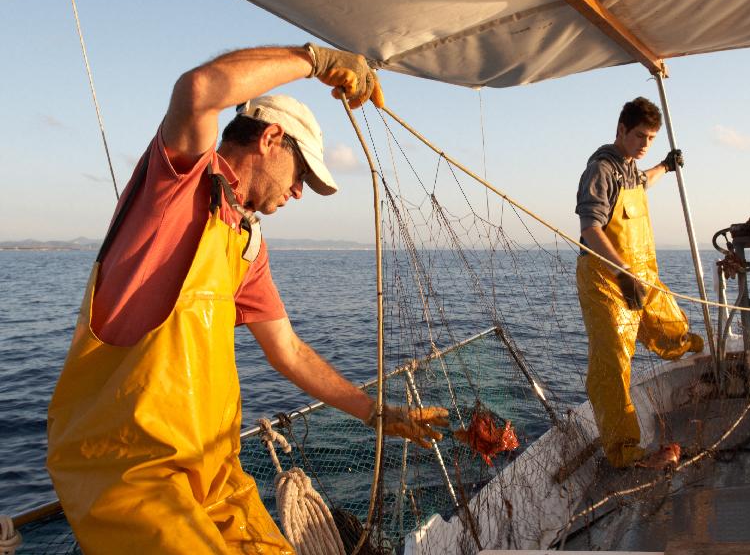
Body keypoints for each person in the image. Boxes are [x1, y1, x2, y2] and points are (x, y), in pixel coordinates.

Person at [47, 44, 449, 554]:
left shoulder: (247, 242)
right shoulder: (180, 182)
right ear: (271, 138)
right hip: (133, 472)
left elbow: (289, 351)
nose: (299, 192)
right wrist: (316, 62)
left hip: (214, 473)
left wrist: (375, 412)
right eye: (301, 175)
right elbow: (197, 90)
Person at [575, 96, 703, 469]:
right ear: (621, 130)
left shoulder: (631, 168)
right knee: (613, 363)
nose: (645, 144)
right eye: (640, 136)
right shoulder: (601, 170)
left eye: (651, 138)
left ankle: (698, 350)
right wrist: (622, 272)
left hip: (641, 275)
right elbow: (591, 229)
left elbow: (644, 181)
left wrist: (666, 166)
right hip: (607, 279)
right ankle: (624, 450)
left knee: (671, 327)